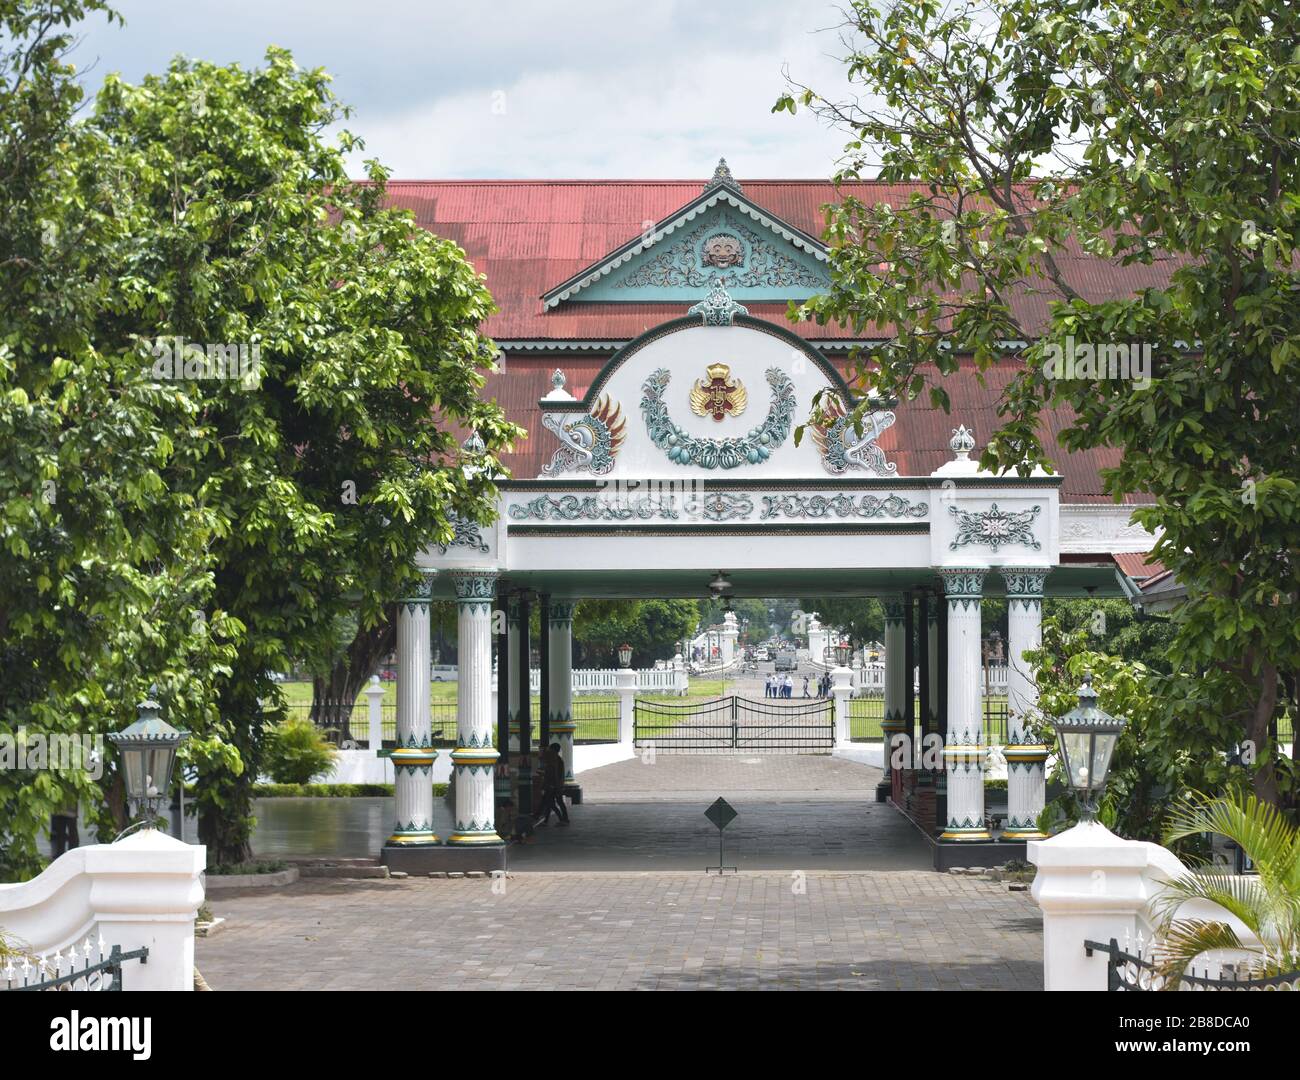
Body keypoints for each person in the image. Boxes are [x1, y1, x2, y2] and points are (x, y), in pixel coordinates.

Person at [534, 743, 569, 827]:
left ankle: (562, 819)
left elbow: (553, 774)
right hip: (555, 785)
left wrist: (554, 785)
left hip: (553, 786)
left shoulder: (555, 761)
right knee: (549, 803)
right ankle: (546, 820)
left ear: (553, 750)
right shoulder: (557, 760)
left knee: (551, 803)